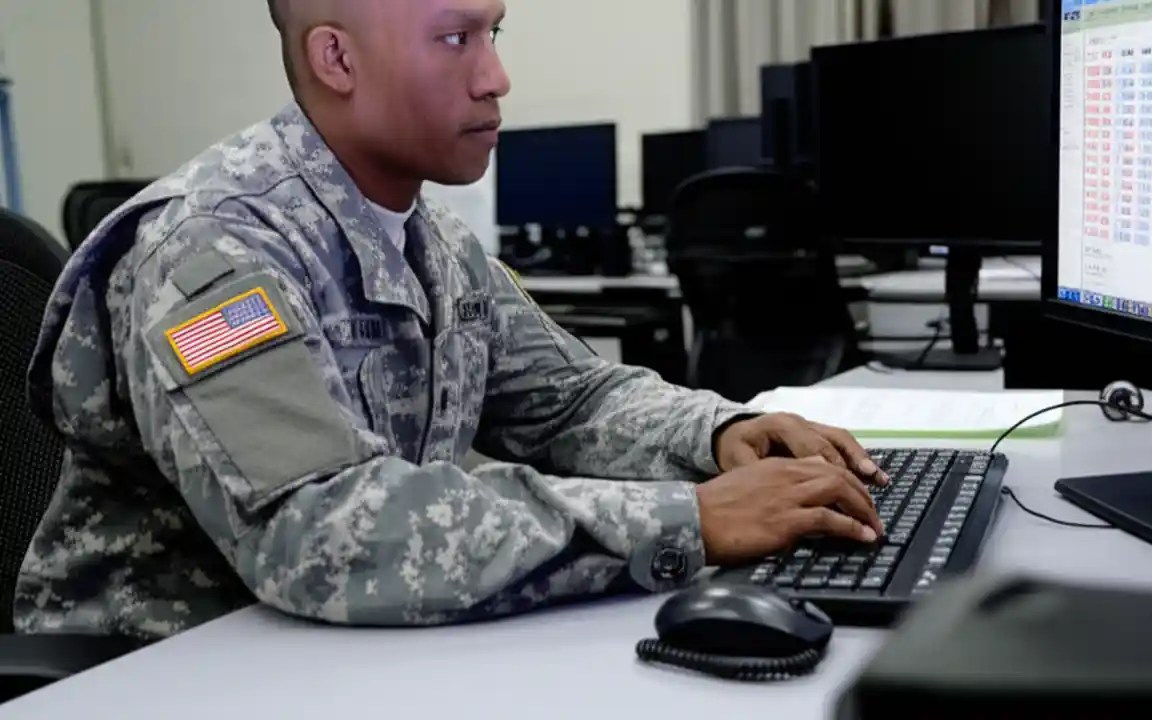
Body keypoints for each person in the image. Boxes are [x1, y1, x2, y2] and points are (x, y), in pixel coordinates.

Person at [15, 0, 885, 643]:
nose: (496, 76)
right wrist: (686, 519)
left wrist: (721, 435)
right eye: (455, 38)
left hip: (343, 653)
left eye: (493, 35)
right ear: (336, 59)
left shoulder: (433, 243)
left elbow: (572, 402)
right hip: (163, 674)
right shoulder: (207, 254)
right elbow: (321, 532)